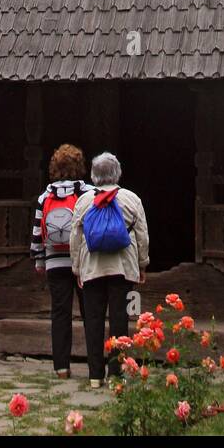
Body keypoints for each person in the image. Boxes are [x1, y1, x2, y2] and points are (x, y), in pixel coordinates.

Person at [70, 151, 149, 389]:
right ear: (118, 173)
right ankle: (116, 372)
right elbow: (142, 235)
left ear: (94, 176)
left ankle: (95, 375)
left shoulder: (83, 201)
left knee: (92, 320)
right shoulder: (131, 199)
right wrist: (142, 263)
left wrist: (76, 267)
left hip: (92, 268)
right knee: (119, 320)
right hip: (122, 267)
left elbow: (75, 236)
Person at [30, 144, 92, 379]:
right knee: (90, 313)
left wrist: (39, 260)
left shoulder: (44, 197)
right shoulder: (88, 193)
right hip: (82, 263)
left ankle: (61, 368)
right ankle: (94, 364)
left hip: (55, 262)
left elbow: (38, 232)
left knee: (60, 314)